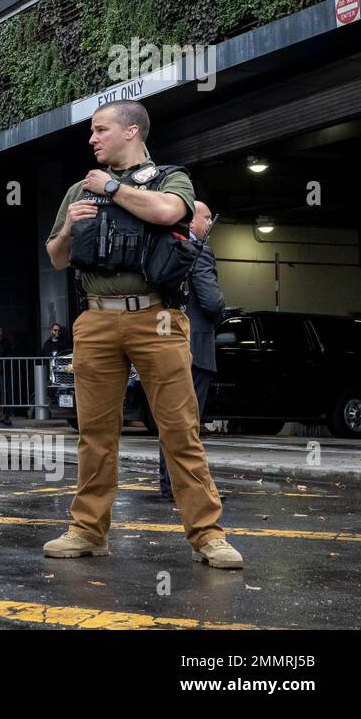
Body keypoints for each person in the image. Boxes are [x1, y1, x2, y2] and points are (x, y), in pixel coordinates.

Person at [43, 99, 240, 569]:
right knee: (95, 433)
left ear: (131, 132)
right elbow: (56, 257)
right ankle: (88, 531)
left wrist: (112, 188)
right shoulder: (78, 191)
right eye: (92, 131)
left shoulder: (172, 177)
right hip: (94, 319)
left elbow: (169, 211)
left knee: (179, 429)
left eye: (100, 129)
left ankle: (208, 536)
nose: (92, 138)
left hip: (156, 317)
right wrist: (71, 224)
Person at [160, 201, 224, 498]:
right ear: (193, 221)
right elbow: (211, 302)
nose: (210, 223)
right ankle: (188, 488)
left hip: (170, 341)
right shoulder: (199, 250)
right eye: (207, 217)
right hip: (196, 343)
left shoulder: (171, 245)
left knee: (172, 419)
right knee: (190, 422)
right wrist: (221, 311)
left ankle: (169, 483)